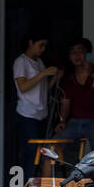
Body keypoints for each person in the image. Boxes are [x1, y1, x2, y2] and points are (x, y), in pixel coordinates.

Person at [55, 37, 94, 155]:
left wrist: (92, 74)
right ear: (69, 57)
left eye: (80, 51)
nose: (77, 55)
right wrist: (62, 121)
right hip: (75, 122)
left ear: (88, 54)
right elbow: (65, 103)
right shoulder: (68, 77)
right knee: (52, 146)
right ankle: (49, 174)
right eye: (73, 52)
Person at [13, 33, 61, 178]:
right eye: (40, 45)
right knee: (31, 152)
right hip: (27, 113)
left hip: (41, 114)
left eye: (45, 46)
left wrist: (53, 79)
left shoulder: (39, 62)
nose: (42, 49)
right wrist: (43, 73)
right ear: (30, 42)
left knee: (41, 152)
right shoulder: (21, 62)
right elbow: (23, 87)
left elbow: (42, 89)